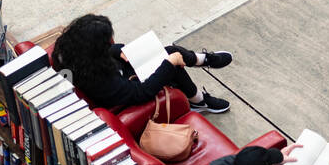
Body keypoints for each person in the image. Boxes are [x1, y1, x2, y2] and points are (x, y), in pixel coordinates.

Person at [51, 13, 231, 113]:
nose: (112, 41)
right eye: (108, 40)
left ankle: (201, 61)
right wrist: (169, 64)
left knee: (168, 52)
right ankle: (198, 98)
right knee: (170, 58)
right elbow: (141, 93)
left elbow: (108, 51)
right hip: (125, 95)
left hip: (116, 75)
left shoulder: (68, 51)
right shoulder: (101, 80)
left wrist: (116, 51)